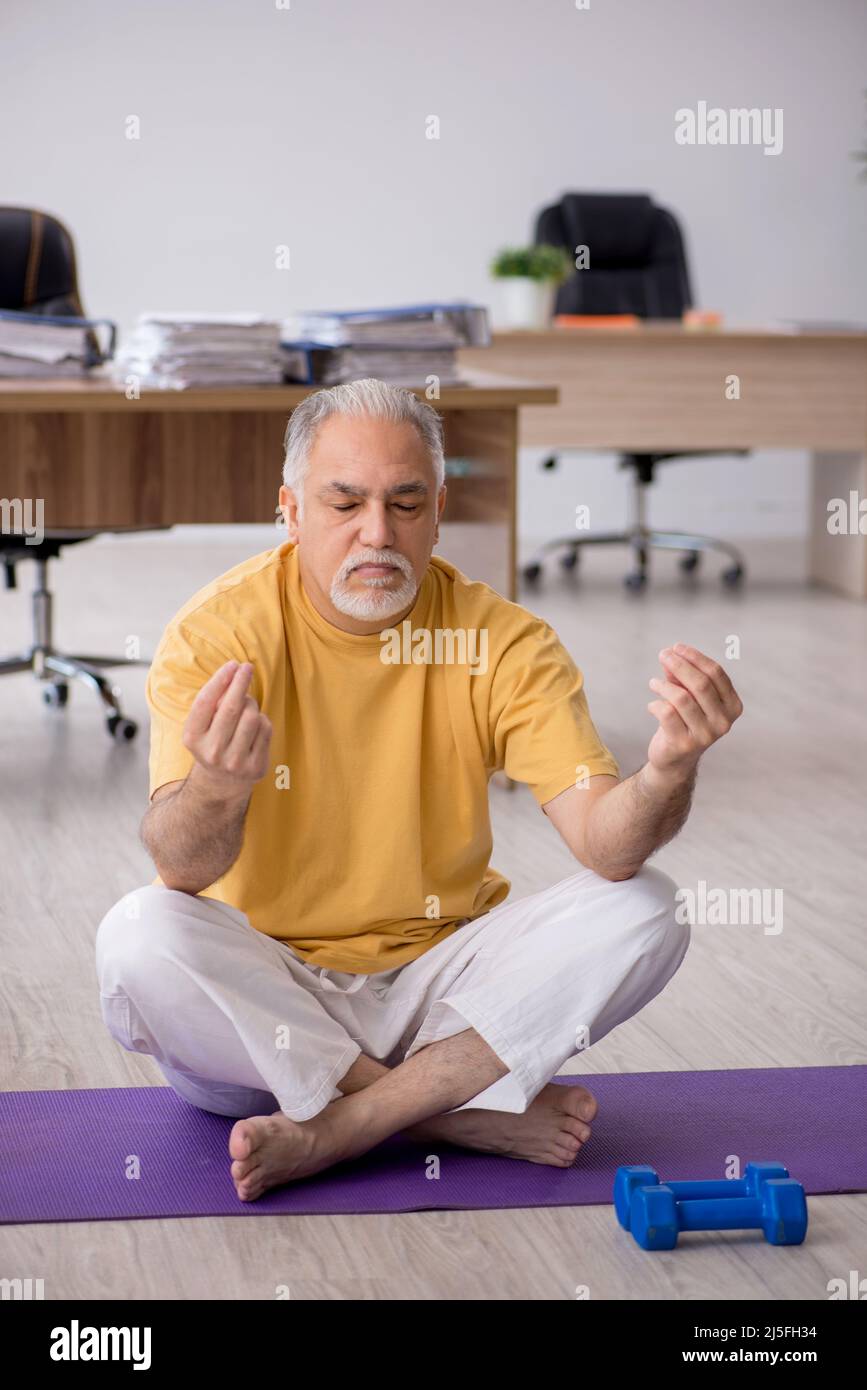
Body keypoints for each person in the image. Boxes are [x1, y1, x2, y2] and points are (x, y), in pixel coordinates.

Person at [95, 378, 742, 1202]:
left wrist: (668, 772)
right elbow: (180, 871)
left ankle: (346, 1125)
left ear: (438, 509)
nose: (378, 534)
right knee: (137, 934)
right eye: (344, 504)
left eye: (405, 504)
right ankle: (442, 1113)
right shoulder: (217, 632)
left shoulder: (503, 639)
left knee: (648, 906)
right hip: (268, 1010)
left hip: (441, 992)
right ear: (290, 512)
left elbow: (604, 846)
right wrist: (219, 789)